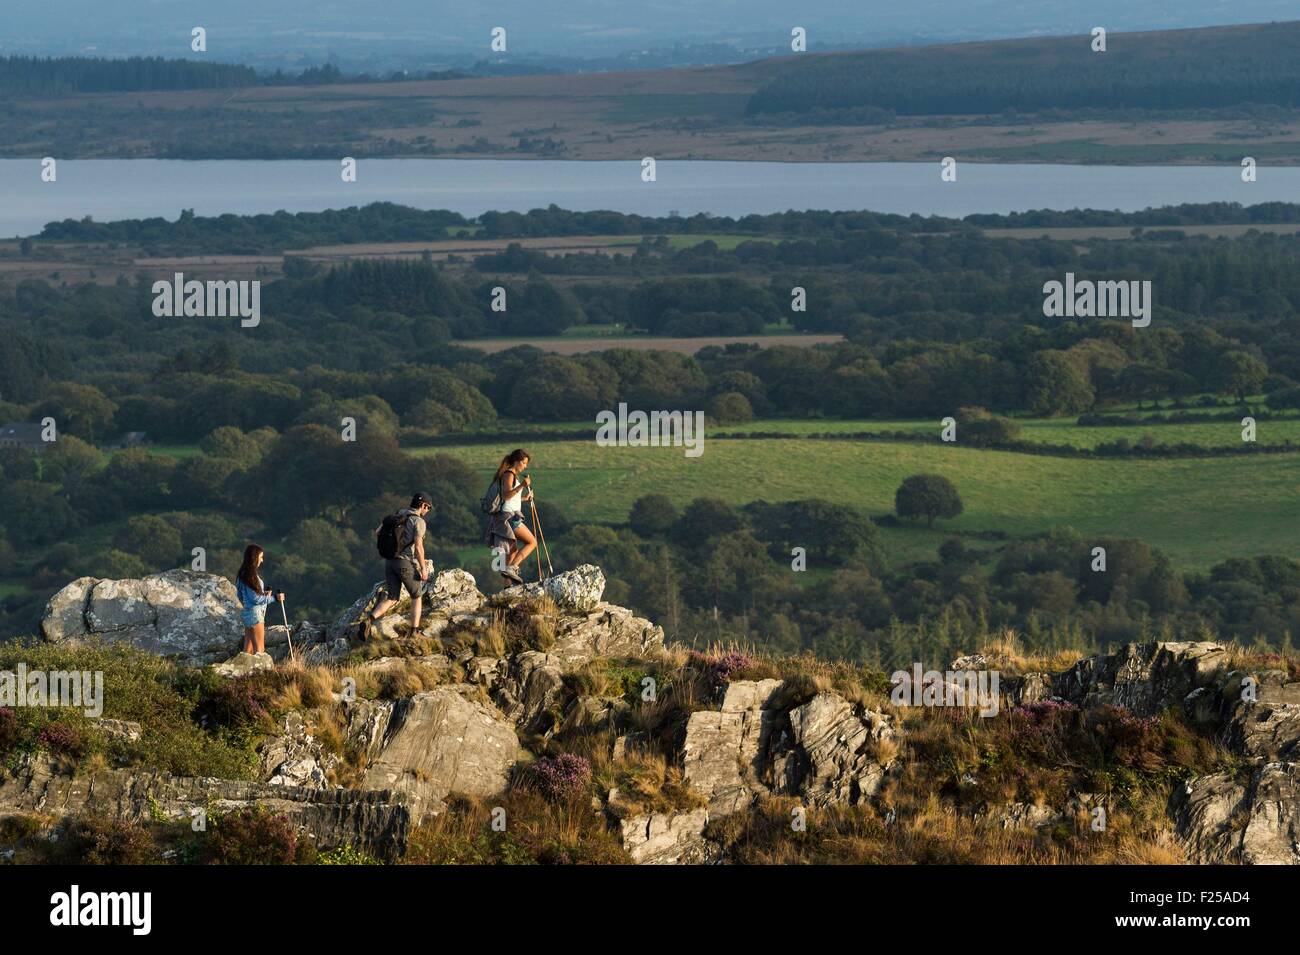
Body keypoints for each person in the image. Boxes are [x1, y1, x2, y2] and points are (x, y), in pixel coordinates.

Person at [361, 492, 433, 640]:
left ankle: (369, 620)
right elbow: (419, 547)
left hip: (390, 561)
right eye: (428, 508)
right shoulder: (418, 522)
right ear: (423, 505)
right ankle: (414, 631)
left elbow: (378, 531)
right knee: (417, 595)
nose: (427, 511)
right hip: (404, 562)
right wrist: (423, 569)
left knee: (393, 597)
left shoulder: (398, 514)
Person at [485, 449, 536, 584]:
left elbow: (510, 499)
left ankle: (507, 588)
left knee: (512, 551)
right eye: (524, 463)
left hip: (508, 515)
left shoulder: (512, 475)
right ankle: (513, 567)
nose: (525, 466)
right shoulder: (509, 475)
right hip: (509, 517)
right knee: (532, 542)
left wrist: (525, 498)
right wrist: (523, 486)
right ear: (517, 462)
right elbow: (506, 495)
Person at [235, 544, 284, 655]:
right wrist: (274, 598)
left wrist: (263, 595)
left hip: (247, 614)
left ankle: (243, 670)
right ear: (254, 557)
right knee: (259, 651)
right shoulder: (251, 575)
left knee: (247, 651)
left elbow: (241, 596)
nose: (262, 560)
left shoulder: (242, 574)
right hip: (255, 614)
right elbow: (255, 599)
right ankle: (259, 671)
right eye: (261, 557)